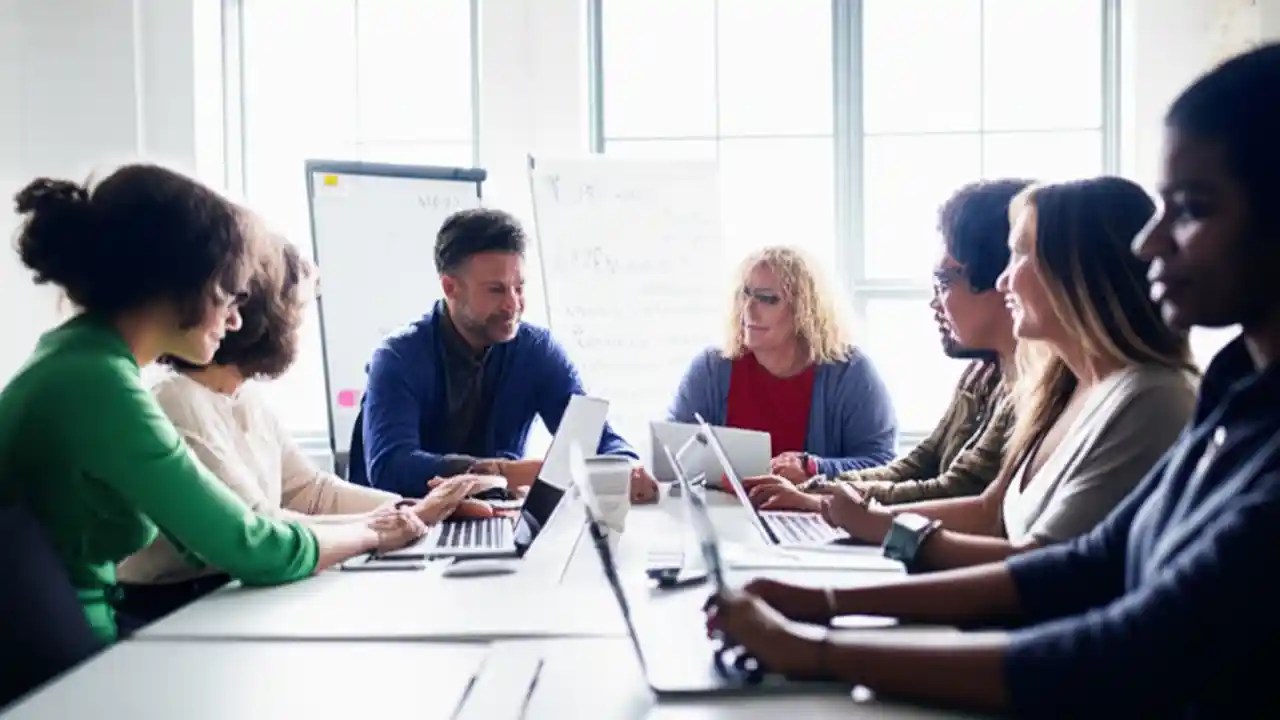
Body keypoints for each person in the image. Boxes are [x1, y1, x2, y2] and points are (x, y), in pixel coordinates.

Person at [705, 43, 1280, 717]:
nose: (1151, 245)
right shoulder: (1233, 395)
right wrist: (827, 604)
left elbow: (1132, 648)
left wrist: (817, 648)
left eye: (1192, 207)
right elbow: (1086, 564)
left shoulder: (1163, 399)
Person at [0, 165, 427, 643]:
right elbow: (251, 545)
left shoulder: (78, 360)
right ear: (177, 282)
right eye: (229, 291)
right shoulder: (99, 384)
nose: (237, 318)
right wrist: (373, 533)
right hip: (70, 658)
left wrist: (386, 520)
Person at [756, 177, 1197, 570]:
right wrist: (849, 514)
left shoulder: (1150, 399)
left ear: (1076, 271)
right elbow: (991, 510)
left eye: (1020, 255)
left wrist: (866, 537)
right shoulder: (1061, 385)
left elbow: (1042, 569)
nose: (1004, 281)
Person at [116, 238, 489, 620]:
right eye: (297, 313)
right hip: (175, 606)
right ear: (261, 316)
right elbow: (261, 525)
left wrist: (411, 510)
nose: (300, 333)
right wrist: (399, 521)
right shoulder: (176, 400)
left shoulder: (245, 397)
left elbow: (311, 491)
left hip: (235, 590)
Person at [748, 180, 1029, 508]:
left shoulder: (1025, 385)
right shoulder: (980, 373)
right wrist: (816, 488)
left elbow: (959, 489)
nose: (935, 303)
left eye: (945, 281)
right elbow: (920, 464)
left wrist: (820, 499)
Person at [359, 208, 659, 503]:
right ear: (450, 287)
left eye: (519, 287)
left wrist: (625, 465)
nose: (513, 304)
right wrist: (505, 474)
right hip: (403, 530)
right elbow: (391, 467)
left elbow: (593, 437)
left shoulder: (536, 350)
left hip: (498, 519)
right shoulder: (398, 357)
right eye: (496, 290)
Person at [668, 246, 897, 483]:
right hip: (724, 514)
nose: (748, 309)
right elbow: (673, 452)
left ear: (805, 311)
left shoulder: (850, 374)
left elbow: (883, 464)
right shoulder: (711, 368)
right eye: (745, 294)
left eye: (767, 299)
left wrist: (814, 468)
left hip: (812, 517)